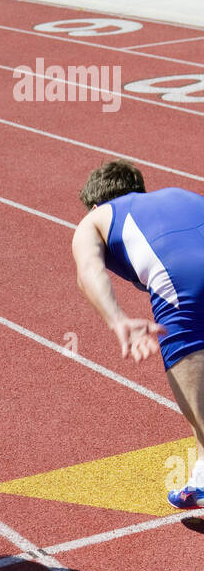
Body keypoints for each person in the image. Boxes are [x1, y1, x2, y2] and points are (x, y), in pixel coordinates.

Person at [72, 160, 204, 508]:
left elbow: (88, 271)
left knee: (197, 393)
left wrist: (117, 320)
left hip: (181, 278)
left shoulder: (96, 219)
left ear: (95, 204)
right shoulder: (179, 193)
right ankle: (202, 475)